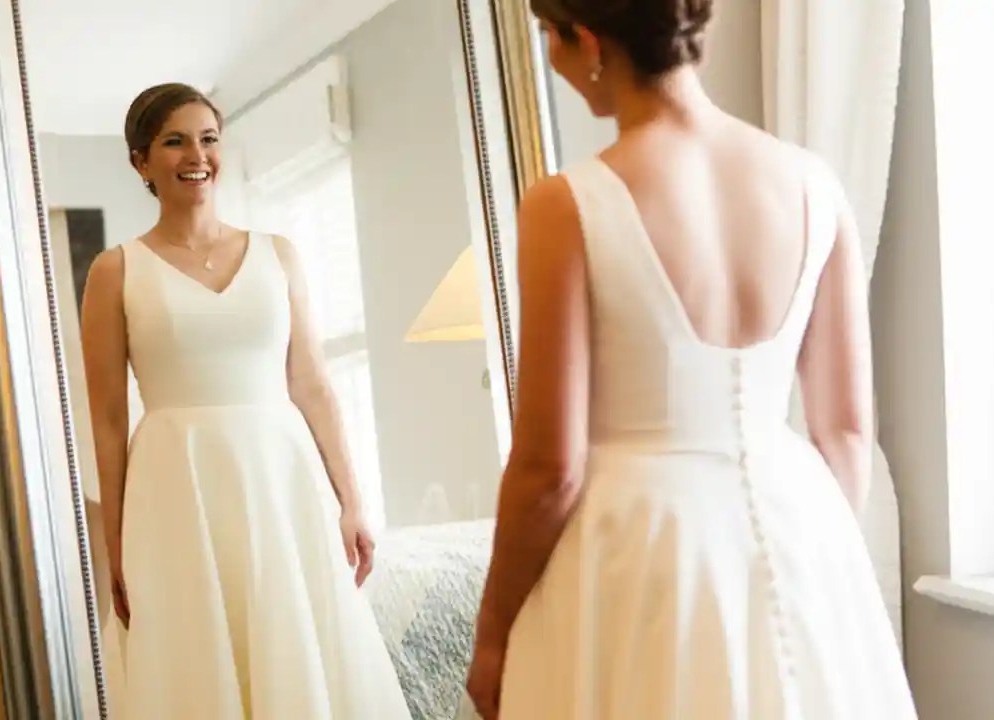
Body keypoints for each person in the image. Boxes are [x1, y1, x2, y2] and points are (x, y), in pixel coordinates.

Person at [465, 1, 919, 718]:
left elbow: (550, 468)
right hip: (799, 521)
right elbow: (848, 433)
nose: (552, 56)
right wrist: (824, 565)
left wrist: (491, 634)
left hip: (640, 550)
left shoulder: (565, 206)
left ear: (587, 41)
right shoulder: (815, 184)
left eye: (547, 36)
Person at [80, 82, 409, 719]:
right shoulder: (115, 271)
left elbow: (310, 383)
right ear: (140, 161)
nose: (195, 155)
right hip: (176, 490)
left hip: (278, 479)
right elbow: (108, 418)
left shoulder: (277, 255)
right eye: (174, 140)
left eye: (208, 138)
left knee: (296, 646)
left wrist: (353, 502)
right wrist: (117, 547)